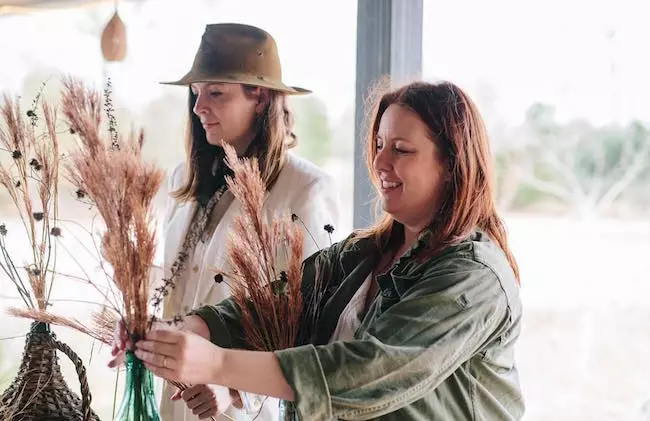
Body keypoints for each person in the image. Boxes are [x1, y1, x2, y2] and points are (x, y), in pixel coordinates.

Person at [112, 80, 524, 420]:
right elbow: (272, 304)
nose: (380, 162)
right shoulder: (362, 253)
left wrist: (217, 365)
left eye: (401, 149)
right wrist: (173, 332)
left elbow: (367, 370)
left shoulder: (473, 278)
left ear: (453, 164)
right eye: (379, 144)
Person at [143, 22, 340, 421]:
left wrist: (235, 390)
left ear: (262, 98)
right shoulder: (183, 180)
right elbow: (172, 287)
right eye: (196, 94)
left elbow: (313, 328)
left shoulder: (306, 191)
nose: (199, 108)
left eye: (216, 93)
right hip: (174, 407)